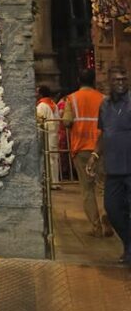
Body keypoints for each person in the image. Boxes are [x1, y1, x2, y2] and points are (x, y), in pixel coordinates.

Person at [88, 66, 131, 265]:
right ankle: (129, 244)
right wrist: (95, 155)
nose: (121, 82)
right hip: (113, 169)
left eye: (124, 79)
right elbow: (104, 134)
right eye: (117, 80)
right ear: (109, 82)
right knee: (112, 210)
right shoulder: (104, 105)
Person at [62, 68, 111, 236]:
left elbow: (67, 121)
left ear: (78, 80)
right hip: (101, 148)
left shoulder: (72, 99)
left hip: (81, 148)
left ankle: (96, 226)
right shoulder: (104, 99)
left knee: (87, 189)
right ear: (94, 81)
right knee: (104, 186)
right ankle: (107, 216)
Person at [36, 84, 61, 185]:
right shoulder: (54, 104)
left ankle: (49, 181)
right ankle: (55, 181)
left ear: (41, 94)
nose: (35, 94)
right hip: (54, 133)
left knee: (48, 157)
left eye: (37, 92)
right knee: (54, 158)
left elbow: (39, 121)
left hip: (46, 134)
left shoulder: (42, 106)